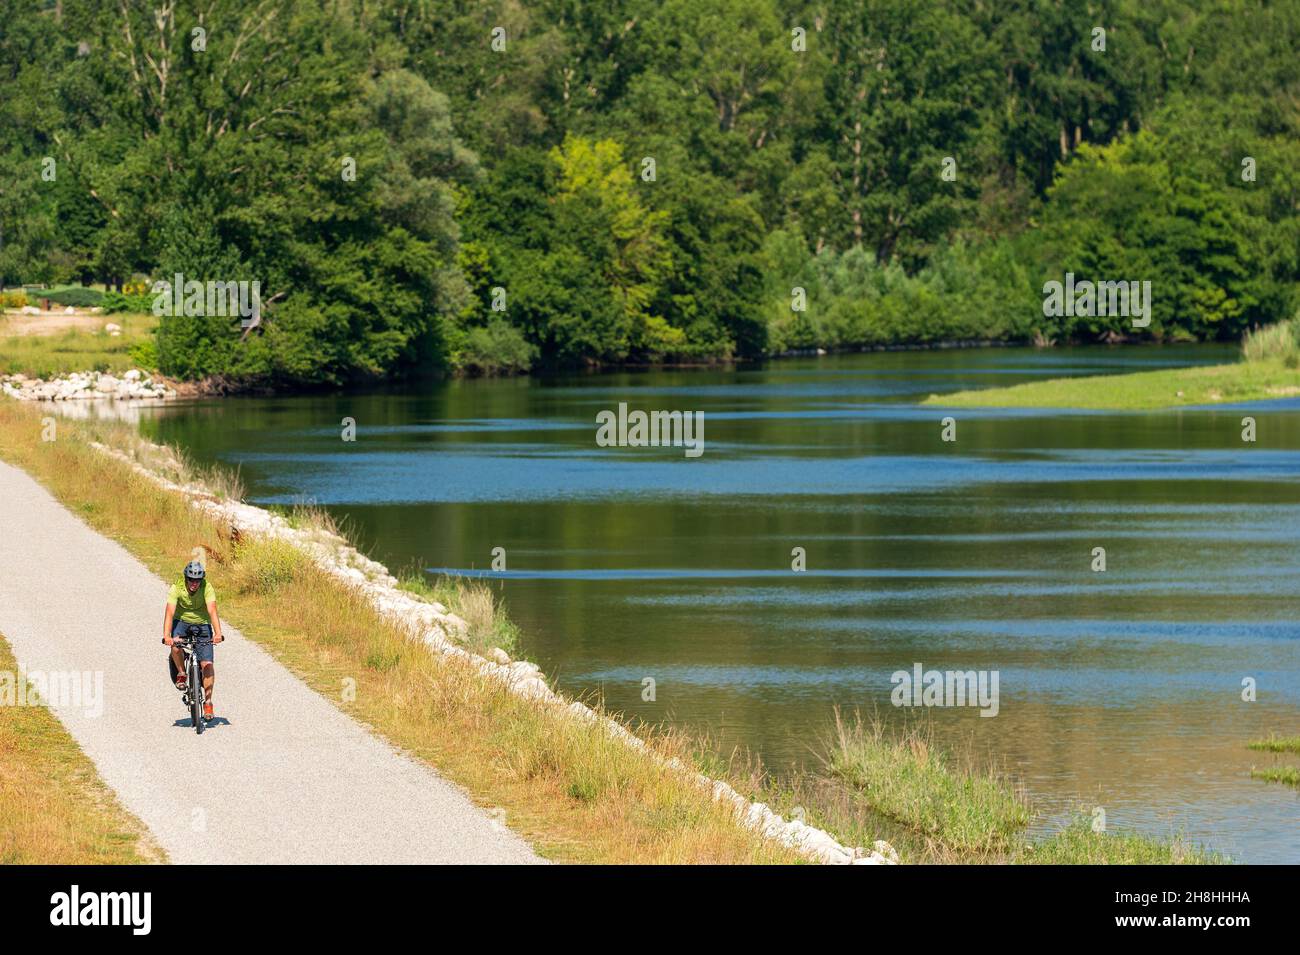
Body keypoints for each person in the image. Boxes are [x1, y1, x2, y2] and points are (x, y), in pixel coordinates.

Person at [163, 560, 224, 721]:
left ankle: (208, 702)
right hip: (181, 622)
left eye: (197, 580)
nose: (194, 583)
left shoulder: (207, 587)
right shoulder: (177, 587)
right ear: (186, 578)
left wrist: (218, 633)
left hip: (203, 624)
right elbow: (169, 612)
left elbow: (212, 610)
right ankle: (182, 673)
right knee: (176, 646)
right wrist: (167, 636)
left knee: (207, 664)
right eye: (191, 579)